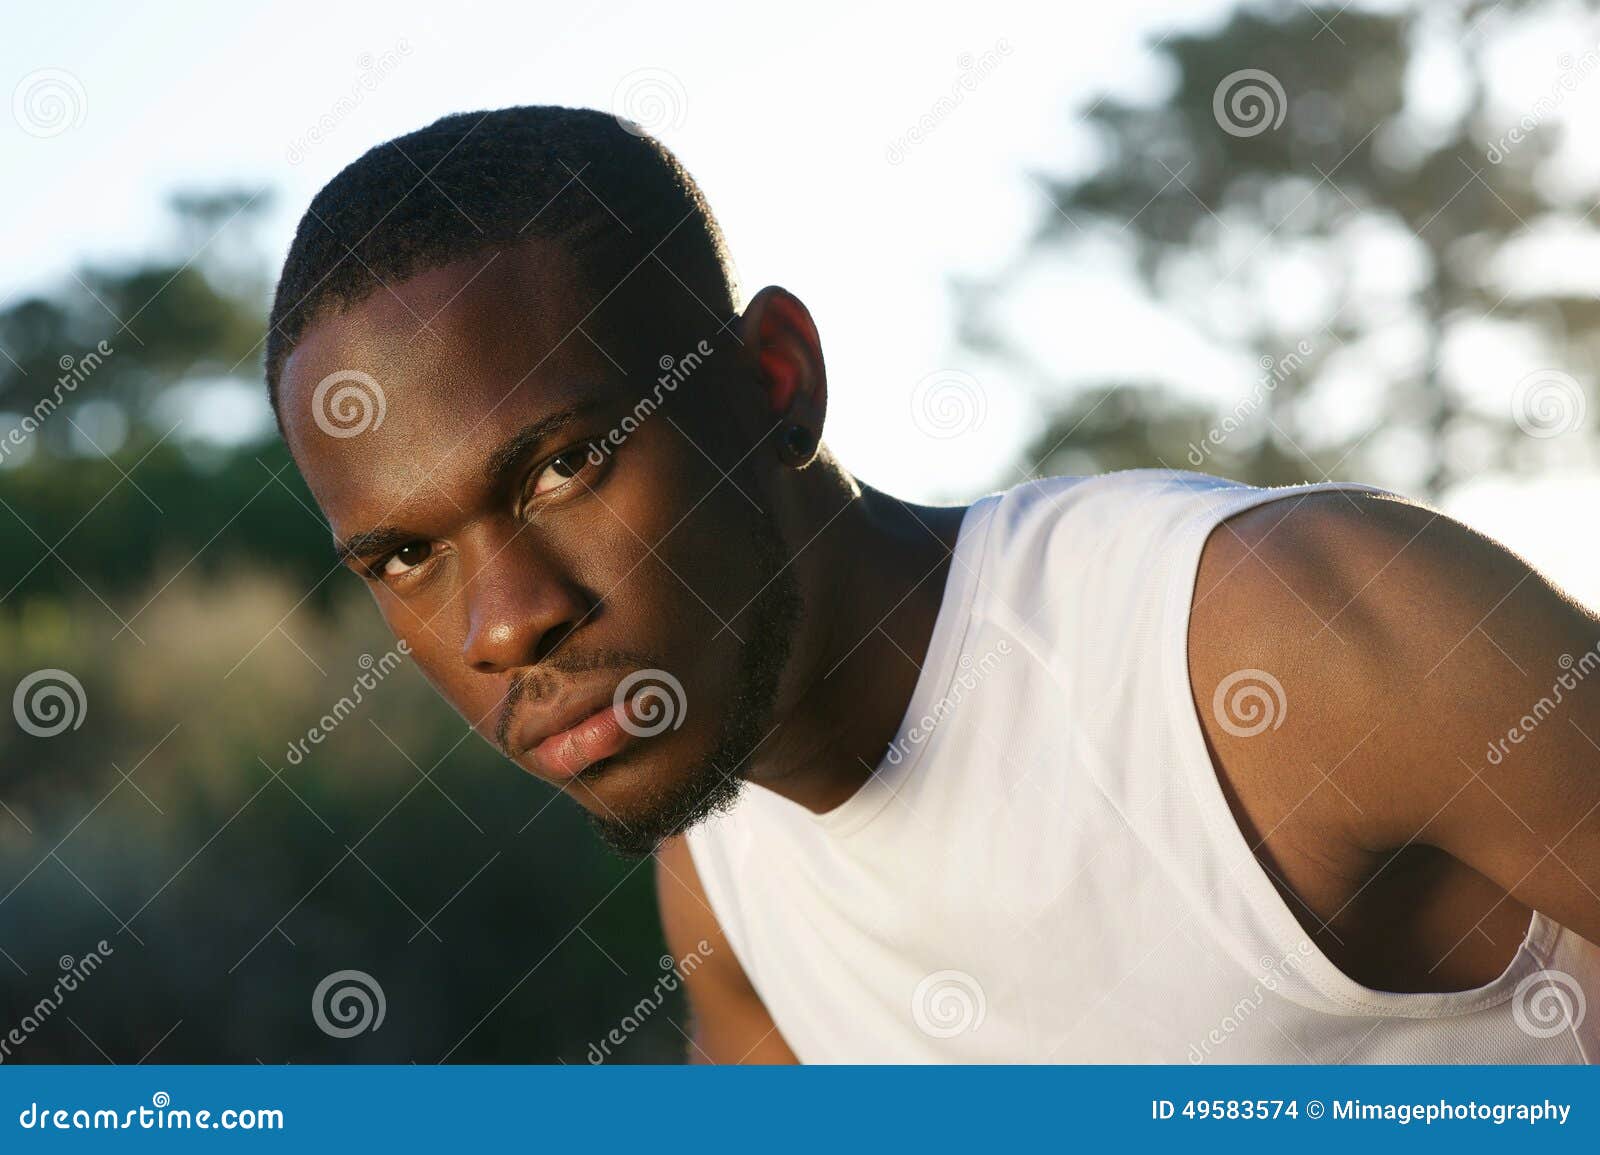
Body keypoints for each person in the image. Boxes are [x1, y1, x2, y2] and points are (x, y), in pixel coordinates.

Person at [268, 105, 1600, 1064]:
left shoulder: (1294, 629)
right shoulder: (724, 874)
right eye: (402, 557)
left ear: (774, 380)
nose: (504, 622)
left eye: (565, 467)